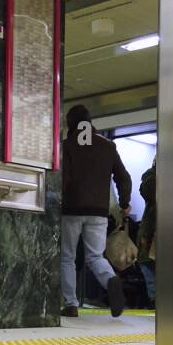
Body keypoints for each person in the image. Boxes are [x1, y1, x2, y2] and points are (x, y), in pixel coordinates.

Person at [60, 105, 132, 318]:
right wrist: (125, 203)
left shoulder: (67, 146)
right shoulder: (107, 146)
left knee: (67, 257)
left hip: (72, 209)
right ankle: (110, 280)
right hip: (98, 211)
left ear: (70, 123)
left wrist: (61, 198)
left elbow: (63, 178)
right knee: (95, 256)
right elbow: (124, 177)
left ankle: (71, 304)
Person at [138, 157, 157, 308]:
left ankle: (155, 298)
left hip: (152, 228)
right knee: (147, 262)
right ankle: (154, 297)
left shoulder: (150, 177)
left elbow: (148, 193)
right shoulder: (151, 177)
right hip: (152, 228)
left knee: (147, 262)